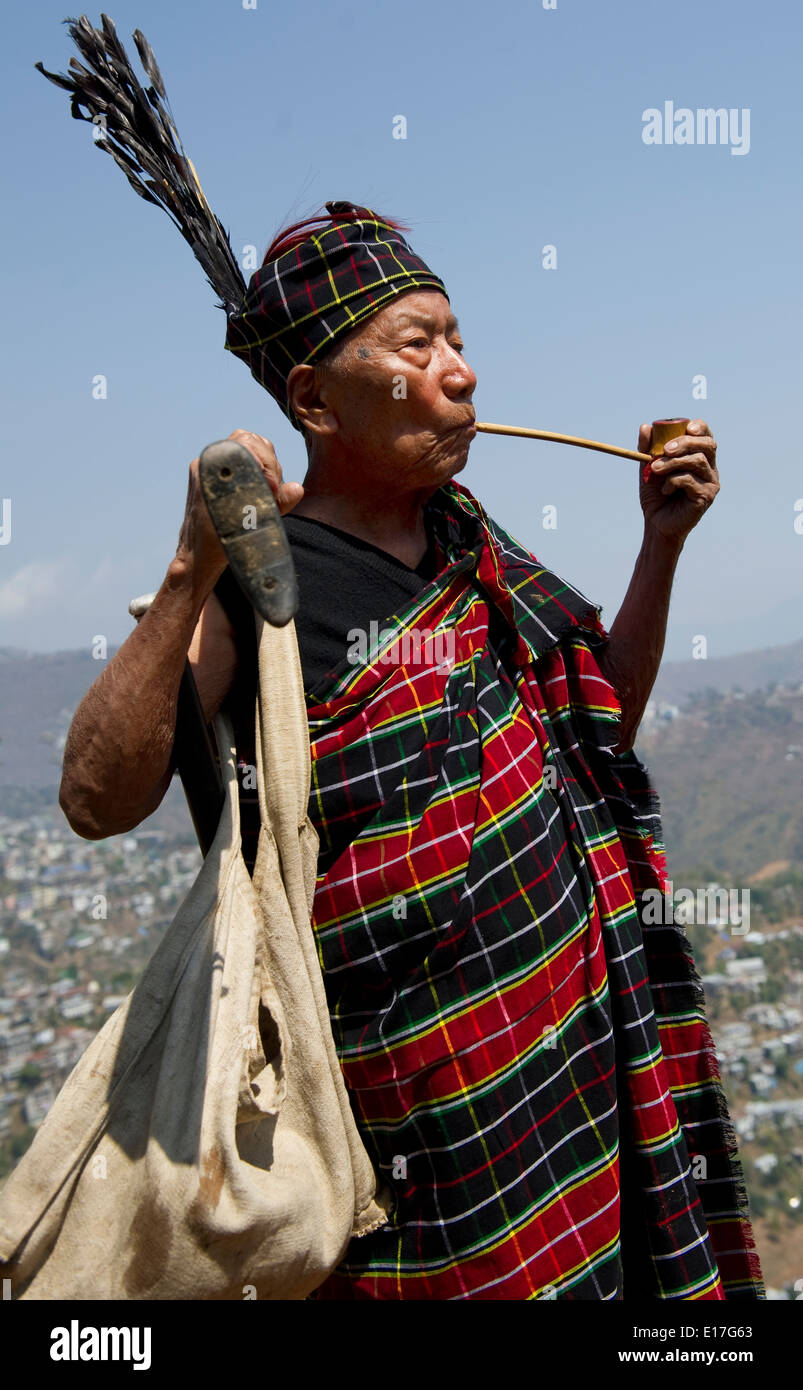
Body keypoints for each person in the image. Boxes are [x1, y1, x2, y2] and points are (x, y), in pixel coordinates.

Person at [59, 202, 764, 1302]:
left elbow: (594, 738)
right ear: (313, 400)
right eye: (418, 346)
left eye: (459, 340)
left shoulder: (470, 544)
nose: (463, 373)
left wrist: (658, 547)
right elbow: (95, 796)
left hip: (574, 1075)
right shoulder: (258, 582)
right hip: (417, 1131)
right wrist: (194, 563)